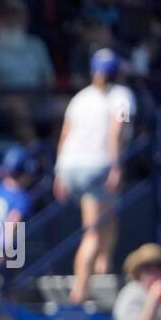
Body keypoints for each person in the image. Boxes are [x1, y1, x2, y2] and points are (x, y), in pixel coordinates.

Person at [54, 48, 135, 304]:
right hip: (97, 167)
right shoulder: (122, 96)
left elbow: (65, 134)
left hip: (71, 167)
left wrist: (58, 172)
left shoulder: (80, 98)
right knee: (93, 232)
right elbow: (116, 129)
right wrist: (116, 164)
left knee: (109, 218)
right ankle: (80, 290)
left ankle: (102, 268)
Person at [0, 0, 58, 144]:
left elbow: (49, 78)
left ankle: (55, 153)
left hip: (37, 97)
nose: (12, 18)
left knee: (66, 107)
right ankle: (36, 154)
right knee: (18, 107)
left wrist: (43, 90)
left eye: (16, 13)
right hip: (5, 99)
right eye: (7, 13)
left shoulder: (36, 45)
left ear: (25, 18)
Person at [112, 243, 161, 320]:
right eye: (147, 267)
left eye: (159, 266)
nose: (154, 271)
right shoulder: (131, 293)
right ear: (138, 271)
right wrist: (154, 297)